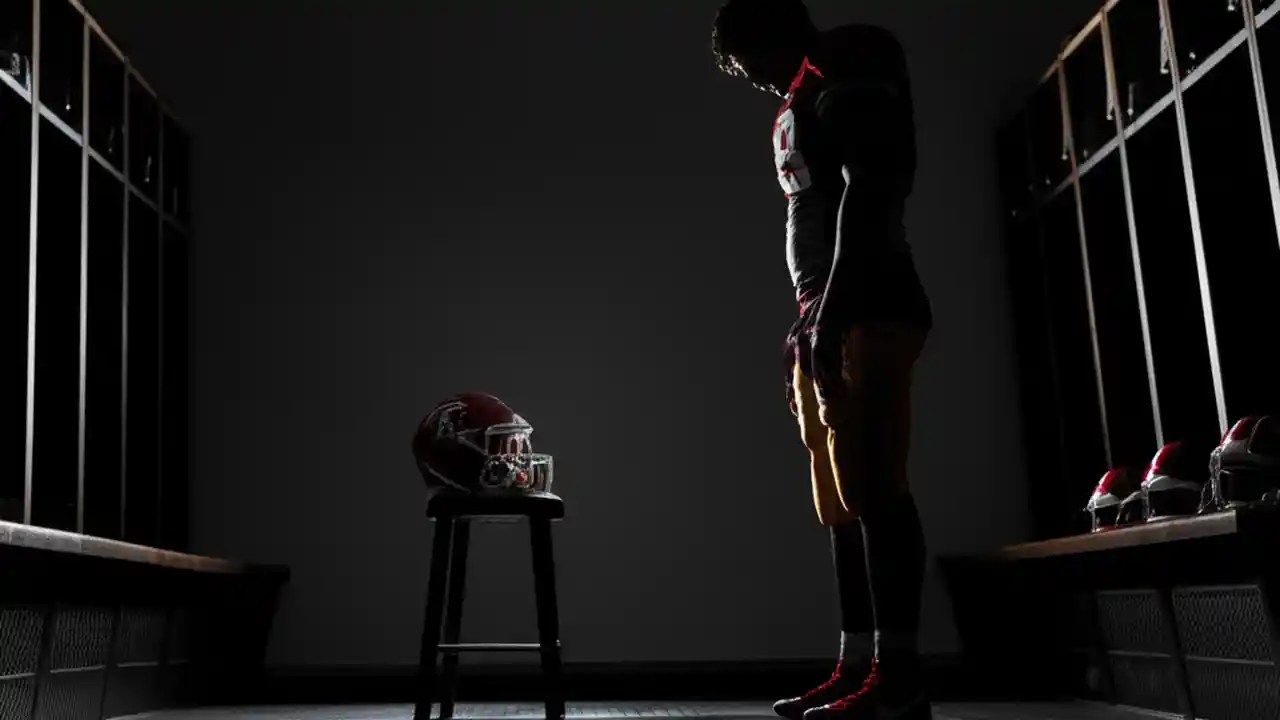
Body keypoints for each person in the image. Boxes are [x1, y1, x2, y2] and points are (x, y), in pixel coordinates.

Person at [710, 1, 934, 718]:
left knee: (875, 490)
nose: (750, 79)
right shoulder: (800, 92)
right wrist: (810, 318)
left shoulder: (849, 55)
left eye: (747, 63)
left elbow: (873, 181)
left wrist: (832, 309)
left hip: (867, 304)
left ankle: (898, 681)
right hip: (825, 312)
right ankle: (859, 664)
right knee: (838, 503)